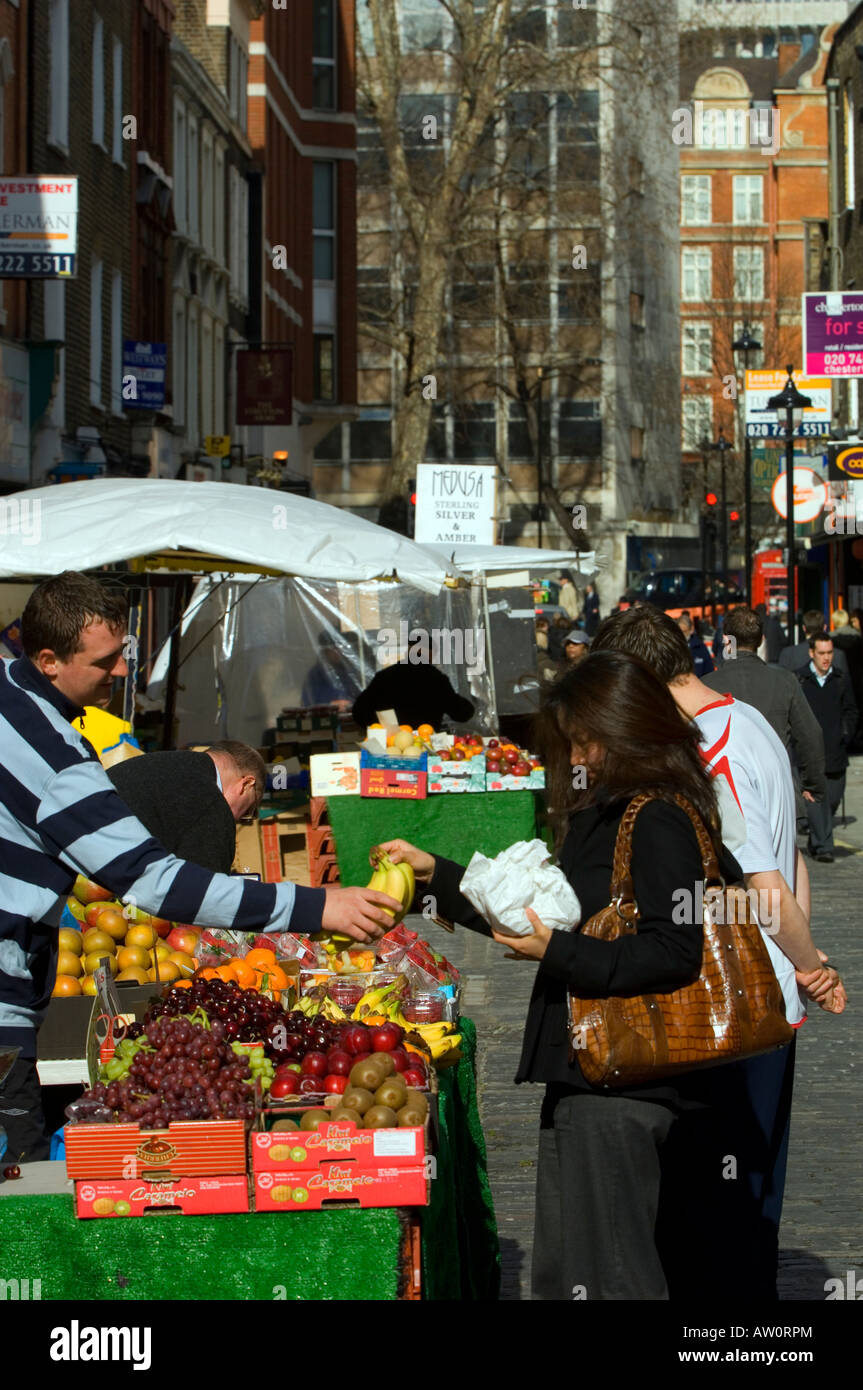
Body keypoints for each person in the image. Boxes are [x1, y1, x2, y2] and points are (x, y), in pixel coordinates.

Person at [379, 650, 748, 1300]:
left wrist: (558, 953)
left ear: (622, 732)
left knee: (610, 1277)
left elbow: (672, 951)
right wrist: (436, 874)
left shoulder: (654, 816)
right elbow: (536, 917)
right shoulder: (606, 813)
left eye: (583, 742)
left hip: (623, 1084)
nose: (574, 758)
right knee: (575, 1273)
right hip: (588, 1074)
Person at [0, 573, 400, 1162]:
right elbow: (154, 881)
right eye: (105, 661)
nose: (120, 673)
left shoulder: (8, 687)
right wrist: (318, 905)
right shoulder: (55, 758)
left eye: (123, 656)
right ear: (49, 660)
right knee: (20, 1198)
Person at [591, 603, 844, 1300]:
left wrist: (806, 964)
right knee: (747, 1200)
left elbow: (765, 884)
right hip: (767, 1000)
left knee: (717, 1219)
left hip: (733, 1008)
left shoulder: (706, 747)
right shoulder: (750, 722)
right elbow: (790, 859)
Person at [702, 607, 826, 814]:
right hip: (776, 794)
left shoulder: (706, 685)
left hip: (726, 798)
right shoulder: (785, 681)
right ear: (761, 640)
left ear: (727, 641)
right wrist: (813, 785)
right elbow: (810, 736)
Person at [107, 741, 268, 874]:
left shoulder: (163, 762)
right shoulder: (212, 805)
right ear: (246, 784)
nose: (238, 820)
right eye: (248, 811)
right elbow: (206, 893)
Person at [797, 632, 858, 863]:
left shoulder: (840, 679)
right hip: (809, 754)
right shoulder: (800, 679)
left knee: (832, 799)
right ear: (812, 653)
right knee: (815, 801)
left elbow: (851, 709)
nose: (826, 658)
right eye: (821, 653)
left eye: (830, 653)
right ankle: (824, 847)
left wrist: (845, 734)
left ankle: (817, 837)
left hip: (835, 751)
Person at [352, 657, 474, 733]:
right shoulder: (436, 679)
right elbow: (461, 713)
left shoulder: (384, 677)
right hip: (426, 745)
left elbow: (359, 712)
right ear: (430, 655)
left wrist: (378, 729)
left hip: (390, 746)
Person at [779, 609, 847, 675]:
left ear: (804, 628)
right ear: (824, 628)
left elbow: (782, 682)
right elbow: (845, 683)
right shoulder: (838, 655)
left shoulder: (788, 654)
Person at [301, 634, 361, 709]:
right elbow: (308, 703)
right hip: (327, 719)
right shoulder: (315, 675)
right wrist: (330, 704)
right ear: (325, 651)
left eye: (340, 648)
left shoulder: (351, 673)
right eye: (333, 649)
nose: (338, 652)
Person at [676, 611, 714, 677]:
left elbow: (709, 671)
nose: (682, 635)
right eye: (679, 632)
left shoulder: (700, 647)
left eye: (684, 632)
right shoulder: (673, 647)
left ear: (691, 630)